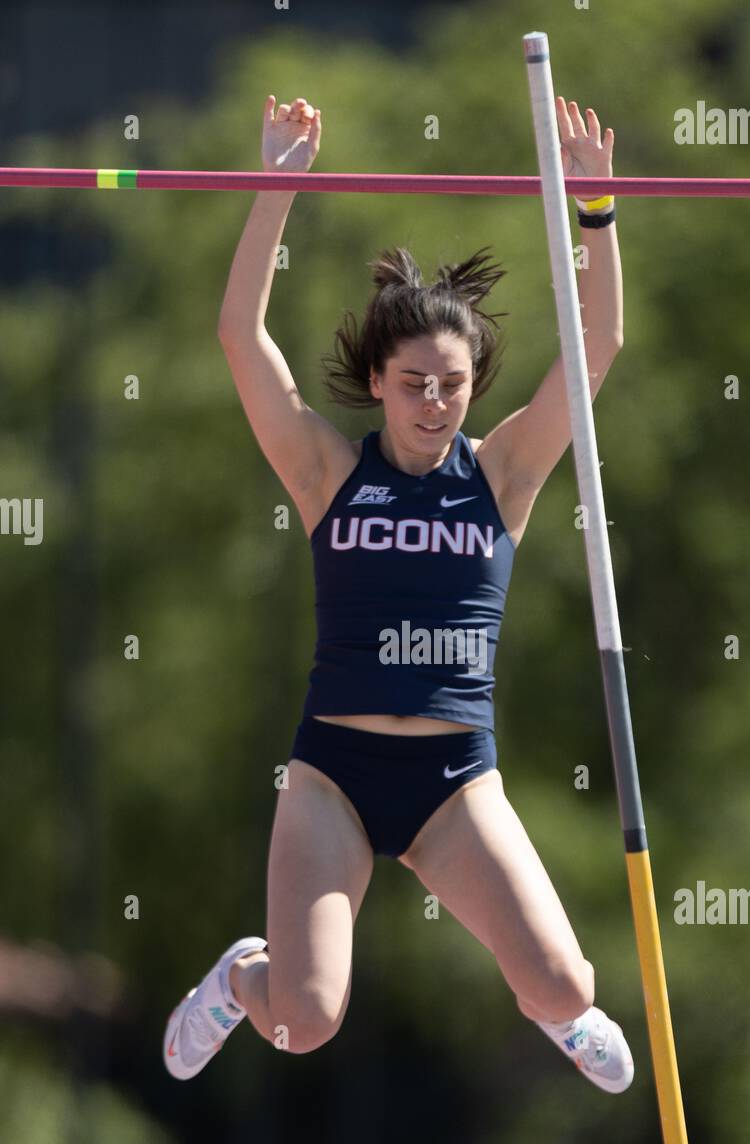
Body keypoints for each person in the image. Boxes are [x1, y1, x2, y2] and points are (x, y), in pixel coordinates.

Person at [164, 93, 632, 1093]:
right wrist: (274, 185)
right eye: (413, 381)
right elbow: (240, 337)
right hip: (332, 773)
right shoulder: (327, 474)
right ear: (375, 381)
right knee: (304, 1020)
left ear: (472, 387)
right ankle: (244, 978)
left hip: (456, 782)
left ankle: (547, 1007)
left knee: (566, 986)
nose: (433, 402)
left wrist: (594, 213)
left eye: (452, 384)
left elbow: (594, 349)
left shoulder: (501, 476)